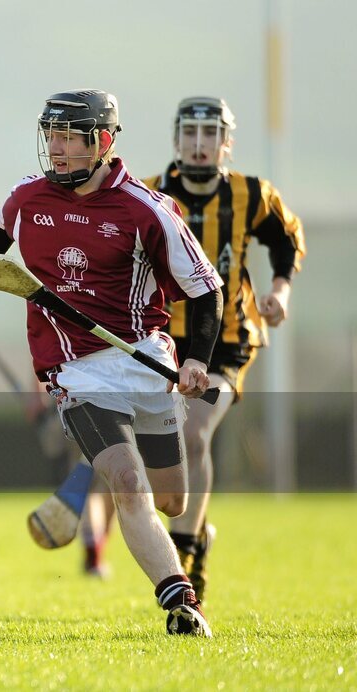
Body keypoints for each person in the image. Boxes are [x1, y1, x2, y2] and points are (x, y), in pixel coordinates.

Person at [0, 90, 224, 636]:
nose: (55, 149)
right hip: (74, 370)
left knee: (173, 501)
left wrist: (198, 359)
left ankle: (107, 471)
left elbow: (206, 293)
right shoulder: (27, 198)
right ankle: (182, 604)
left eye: (68, 138)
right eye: (50, 136)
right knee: (128, 480)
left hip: (144, 358)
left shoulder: (147, 211)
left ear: (102, 142)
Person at [139, 96, 305, 602]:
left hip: (229, 340)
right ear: (175, 141)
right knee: (158, 447)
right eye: (189, 134)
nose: (199, 144)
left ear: (226, 143)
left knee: (195, 432)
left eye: (210, 134)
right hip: (165, 342)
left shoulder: (252, 194)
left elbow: (286, 240)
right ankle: (198, 534)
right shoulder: (149, 195)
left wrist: (280, 290)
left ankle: (185, 547)